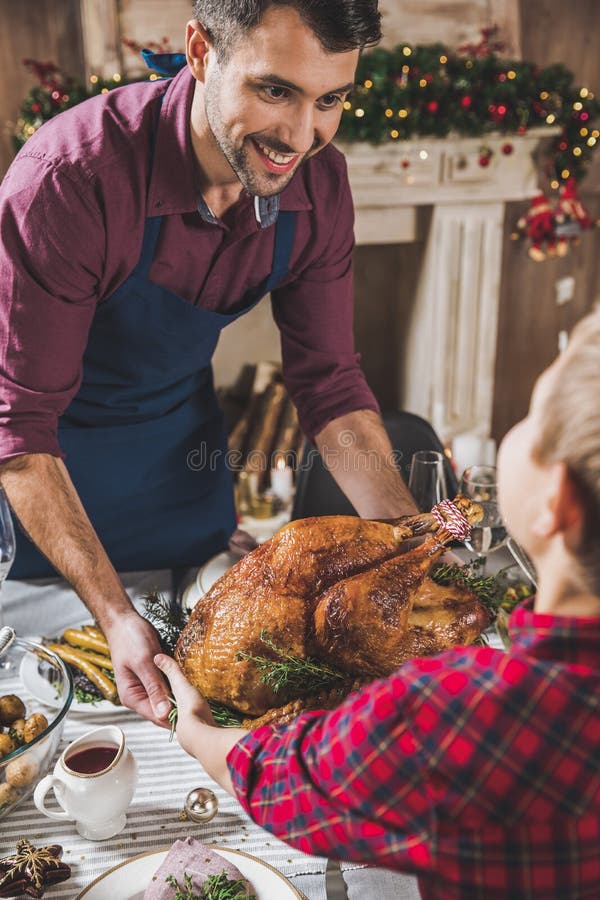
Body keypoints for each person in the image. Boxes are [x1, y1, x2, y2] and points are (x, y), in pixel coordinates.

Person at [0, 1, 418, 724]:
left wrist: (417, 546)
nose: (301, 137)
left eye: (330, 100)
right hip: (50, 494)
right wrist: (114, 614)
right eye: (275, 90)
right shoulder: (69, 180)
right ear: (199, 51)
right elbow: (20, 427)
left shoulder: (319, 184)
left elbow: (330, 386)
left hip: (181, 478)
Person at [156, 308, 600, 899]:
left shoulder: (465, 711)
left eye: (534, 418)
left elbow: (280, 781)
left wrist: (196, 733)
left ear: (558, 503)